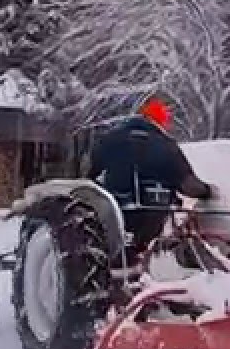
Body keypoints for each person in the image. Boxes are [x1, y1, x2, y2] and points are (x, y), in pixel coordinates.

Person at [89, 97, 215, 254]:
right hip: (149, 216)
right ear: (161, 122)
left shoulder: (109, 140)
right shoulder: (165, 145)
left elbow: (91, 175)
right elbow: (188, 185)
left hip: (113, 210)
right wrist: (209, 192)